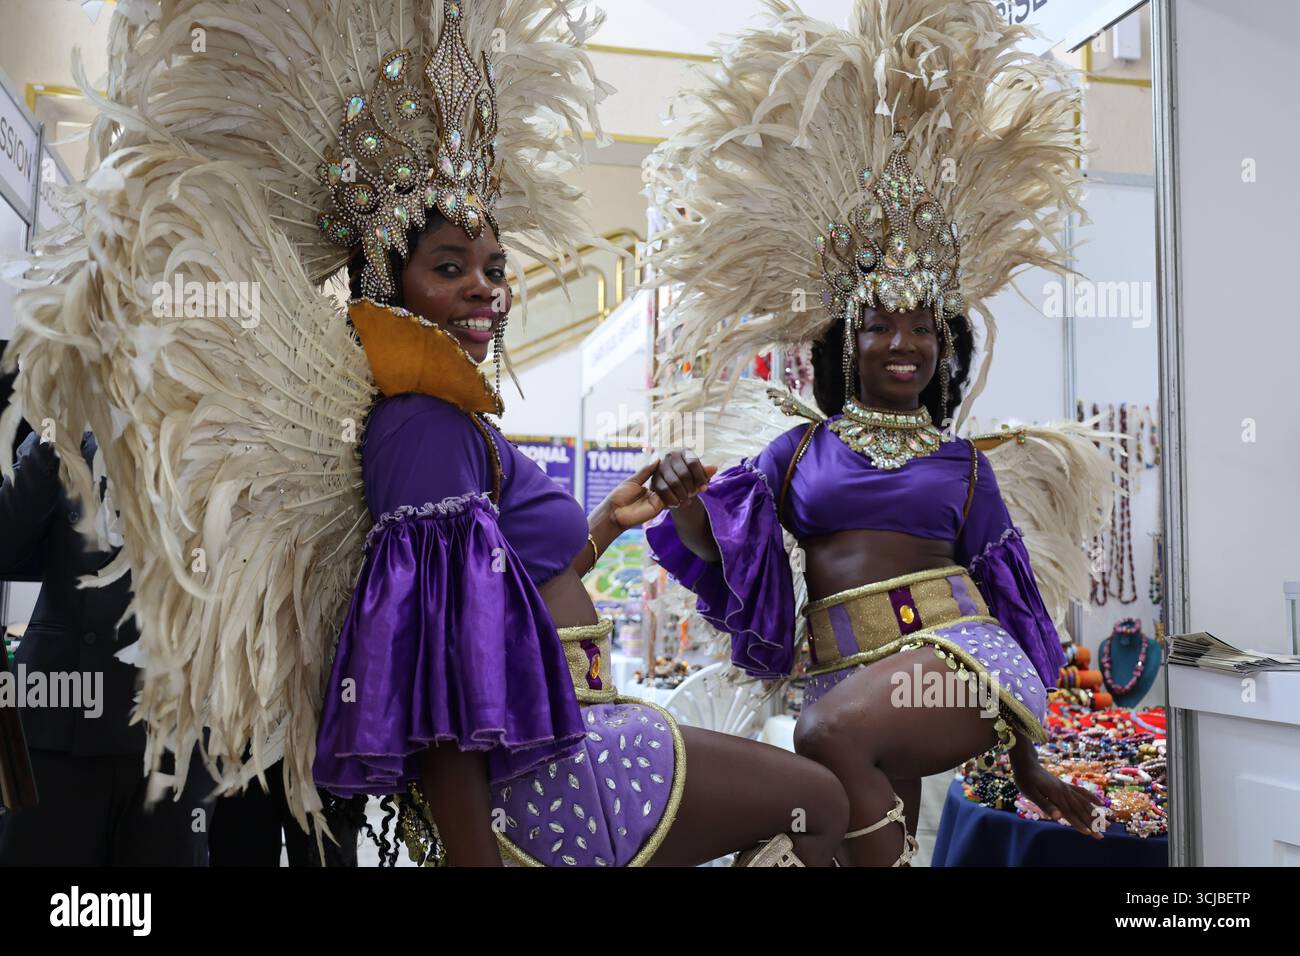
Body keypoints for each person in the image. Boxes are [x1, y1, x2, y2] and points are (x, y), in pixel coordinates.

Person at [2, 0, 847, 867]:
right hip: (554, 765)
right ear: (391, 281)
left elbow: (497, 601)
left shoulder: (449, 420)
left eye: (493, 269)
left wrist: (603, 526)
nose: (486, 290)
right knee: (820, 801)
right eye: (449, 268)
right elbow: (444, 658)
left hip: (569, 737)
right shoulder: (423, 425)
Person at [643, 0, 1106, 866]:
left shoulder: (965, 467)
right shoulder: (797, 450)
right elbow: (721, 547)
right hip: (843, 673)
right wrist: (684, 495)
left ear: (947, 343)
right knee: (824, 827)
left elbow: (1011, 601)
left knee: (825, 738)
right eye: (881, 326)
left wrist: (1029, 765)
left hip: (951, 665)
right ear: (845, 343)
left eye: (924, 326)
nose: (904, 343)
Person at [0, 431, 208, 865]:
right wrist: (53, 431)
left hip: (171, 739)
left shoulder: (215, 442)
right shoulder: (66, 434)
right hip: (59, 729)